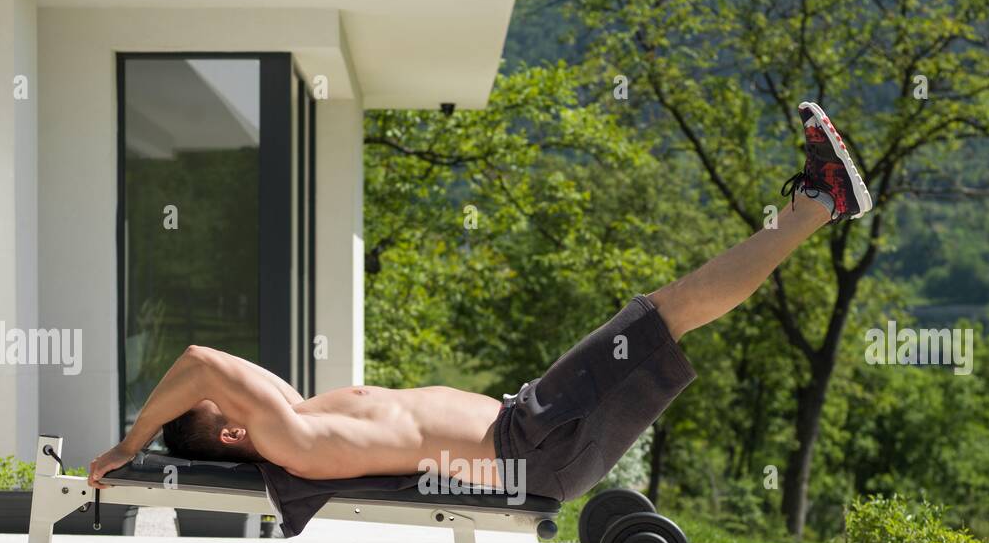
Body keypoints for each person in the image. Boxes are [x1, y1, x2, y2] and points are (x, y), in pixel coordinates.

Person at [90, 101, 870, 507]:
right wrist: (136, 440)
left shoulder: (304, 423)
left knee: (664, 313)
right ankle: (819, 203)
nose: (259, 376)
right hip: (531, 438)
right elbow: (198, 362)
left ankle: (816, 204)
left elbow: (209, 373)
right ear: (231, 423)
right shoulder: (290, 436)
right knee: (665, 311)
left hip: (531, 433)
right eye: (239, 394)